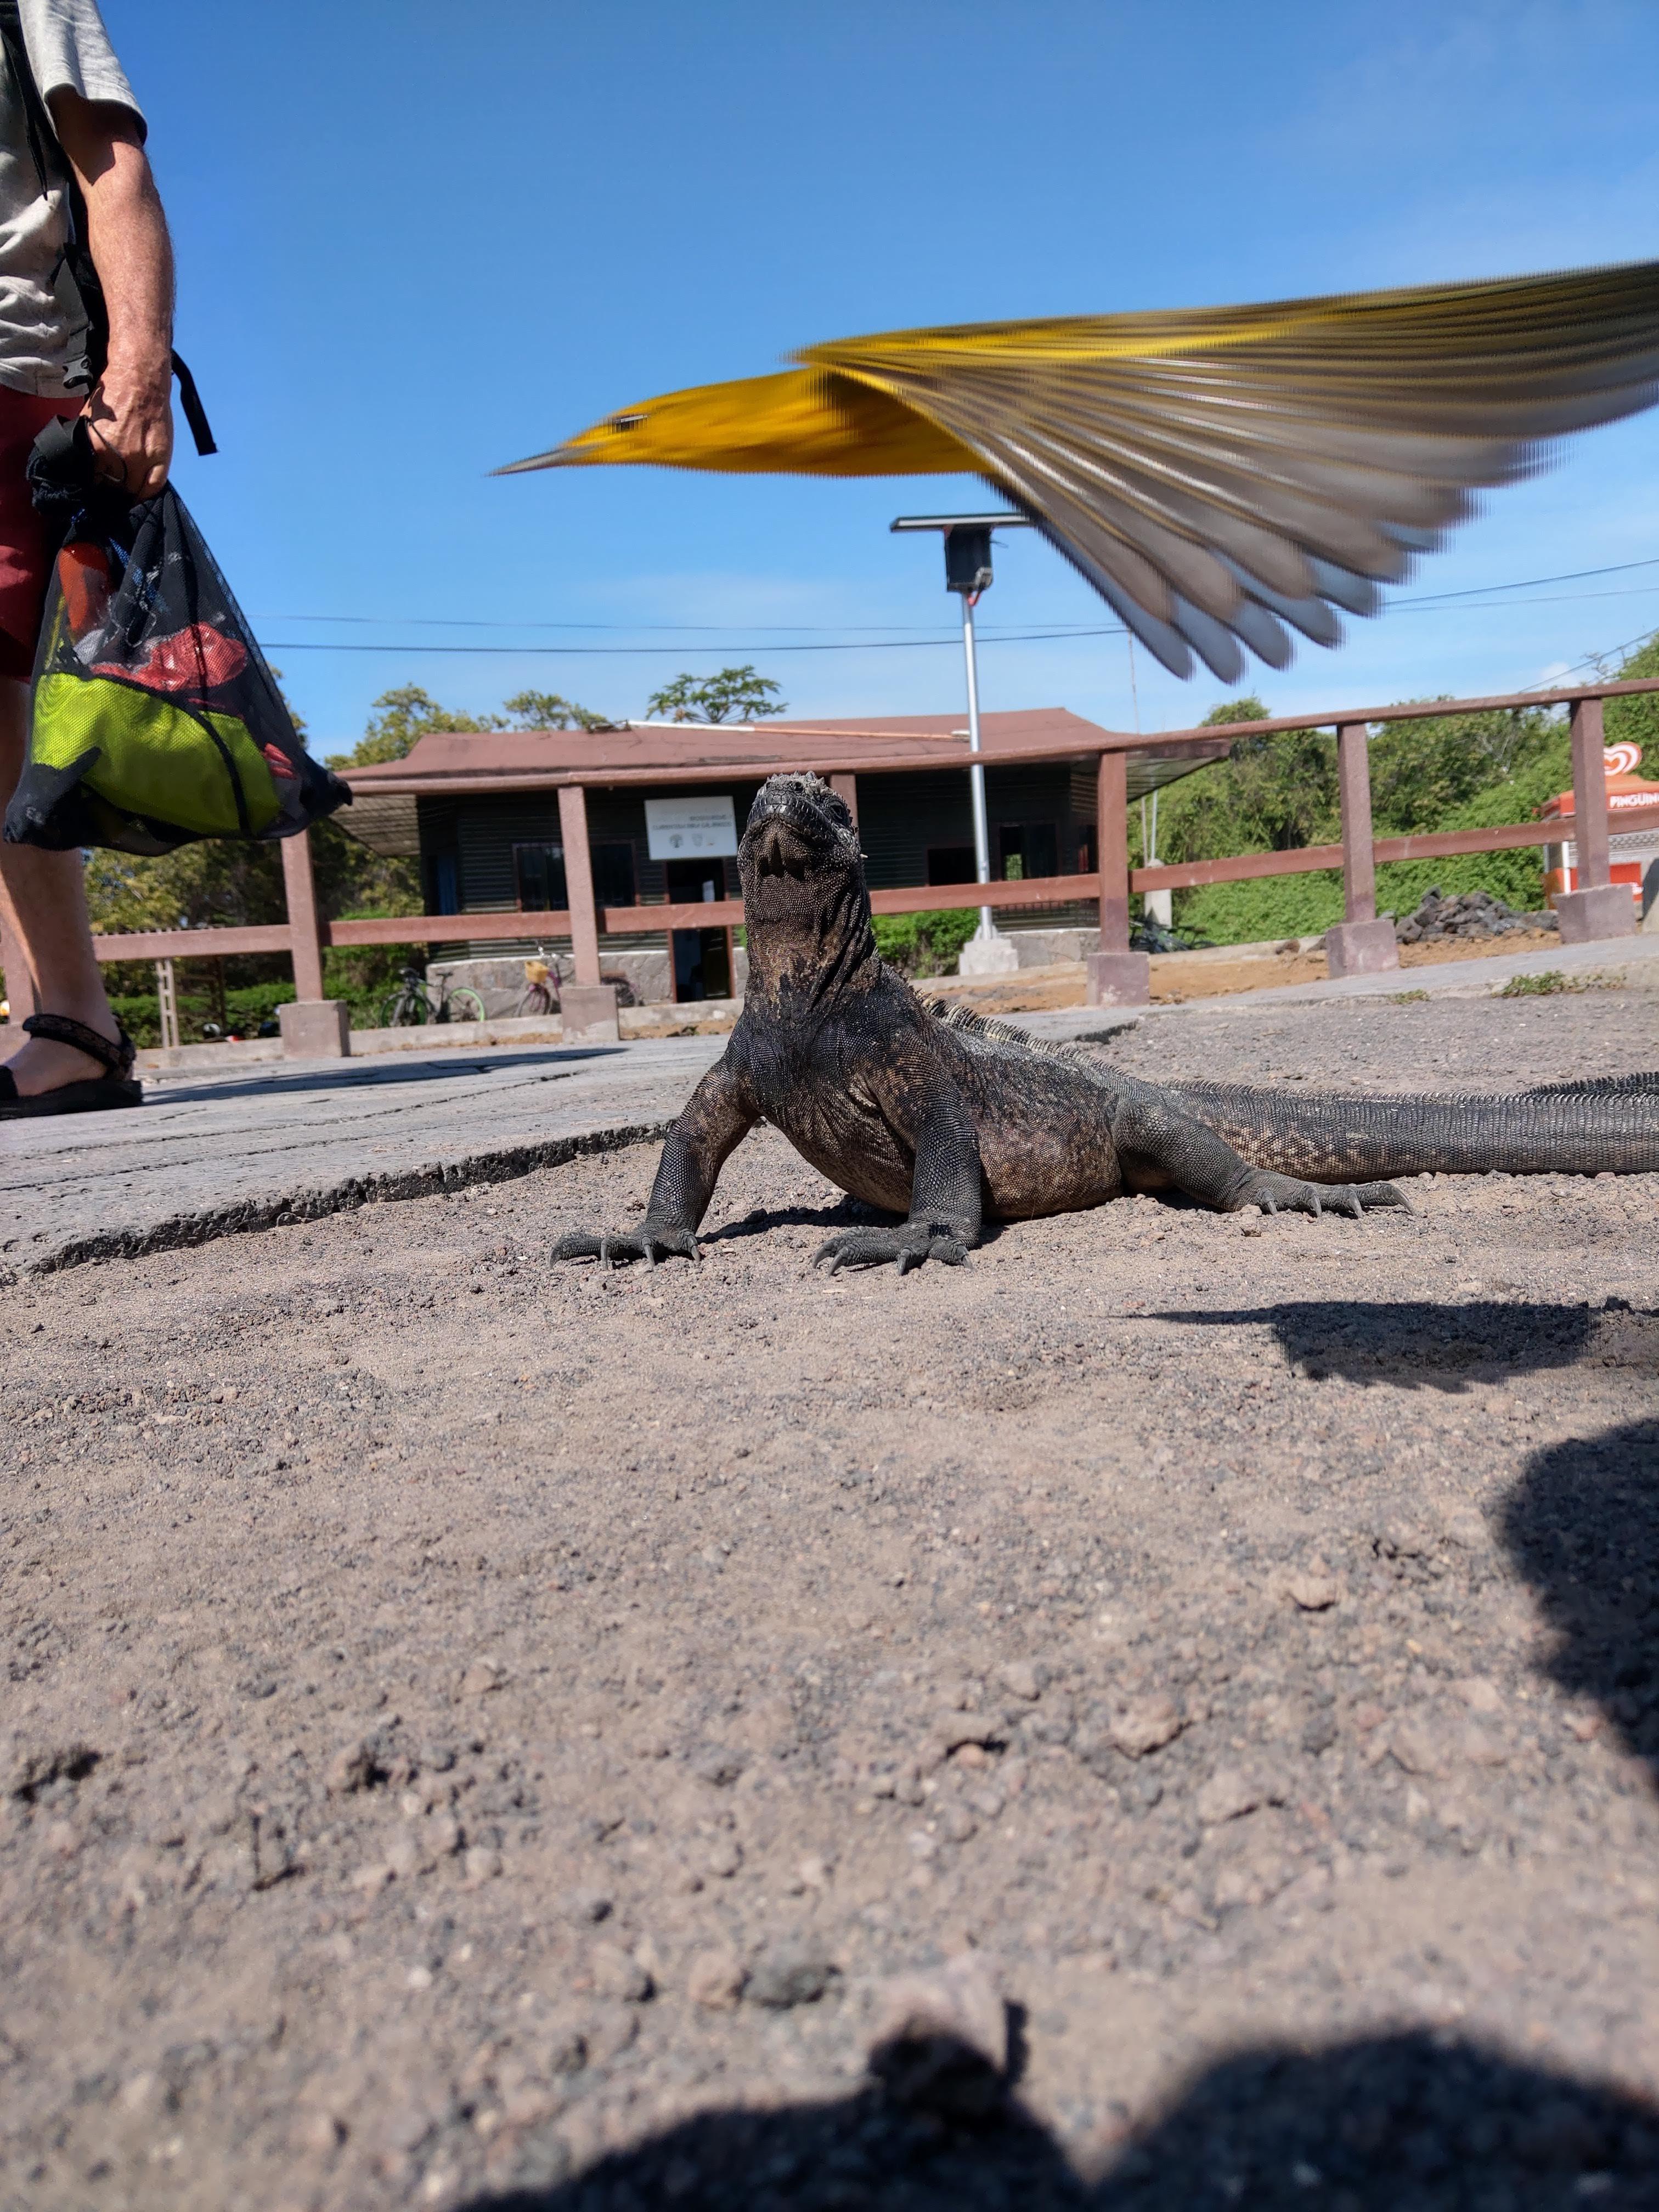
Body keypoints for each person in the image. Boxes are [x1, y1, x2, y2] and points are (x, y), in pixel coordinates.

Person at [0, 0, 172, 1114]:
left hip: (15, 375)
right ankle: (70, 1020)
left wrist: (138, 367)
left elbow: (110, 167)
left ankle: (72, 1018)